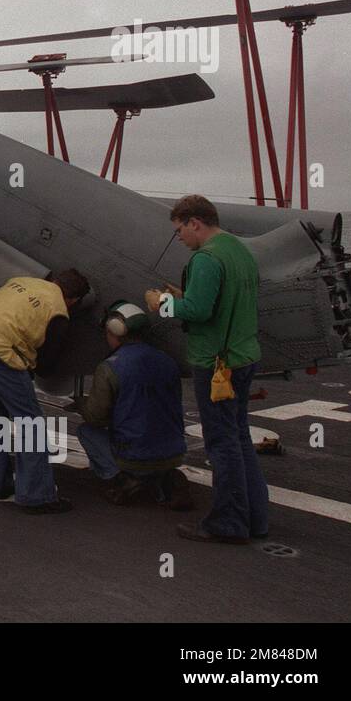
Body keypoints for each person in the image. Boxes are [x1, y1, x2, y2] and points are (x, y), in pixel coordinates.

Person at [145, 194, 266, 545]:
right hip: (244, 355)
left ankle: (228, 522)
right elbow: (223, 297)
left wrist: (163, 304)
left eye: (180, 230)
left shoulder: (205, 258)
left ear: (194, 222)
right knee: (240, 437)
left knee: (222, 443)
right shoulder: (238, 250)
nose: (179, 237)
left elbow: (198, 312)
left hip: (217, 363)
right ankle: (255, 518)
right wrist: (188, 294)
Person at [0, 268, 90, 514]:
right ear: (73, 300)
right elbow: (46, 366)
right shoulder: (59, 313)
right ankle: (36, 495)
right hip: (0, 352)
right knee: (30, 422)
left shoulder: (20, 280)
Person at [75, 301, 192, 510]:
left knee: (86, 431)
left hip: (134, 453)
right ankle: (165, 477)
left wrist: (82, 404)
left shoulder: (110, 367)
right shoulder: (167, 361)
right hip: (173, 451)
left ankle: (125, 478)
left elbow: (95, 417)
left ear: (114, 331)